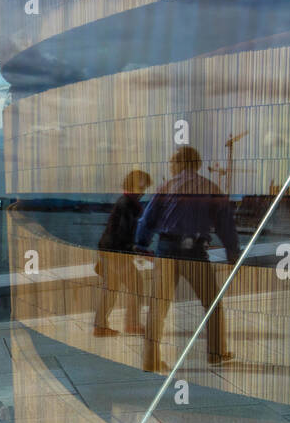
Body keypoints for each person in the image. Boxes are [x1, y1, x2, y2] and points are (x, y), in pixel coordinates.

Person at [134, 146, 240, 373]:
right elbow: (226, 225)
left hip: (166, 248)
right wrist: (232, 253)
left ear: (181, 163)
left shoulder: (166, 187)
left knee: (158, 305)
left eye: (172, 162)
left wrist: (141, 245)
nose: (170, 167)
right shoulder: (211, 188)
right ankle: (215, 353)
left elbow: (147, 220)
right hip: (195, 251)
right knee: (212, 303)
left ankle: (150, 359)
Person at [94, 169, 152, 337]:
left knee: (111, 288)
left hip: (109, 250)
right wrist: (137, 250)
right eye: (142, 187)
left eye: (144, 188)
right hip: (117, 253)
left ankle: (101, 326)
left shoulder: (125, 201)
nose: (143, 192)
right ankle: (130, 324)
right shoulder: (128, 204)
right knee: (136, 286)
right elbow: (124, 232)